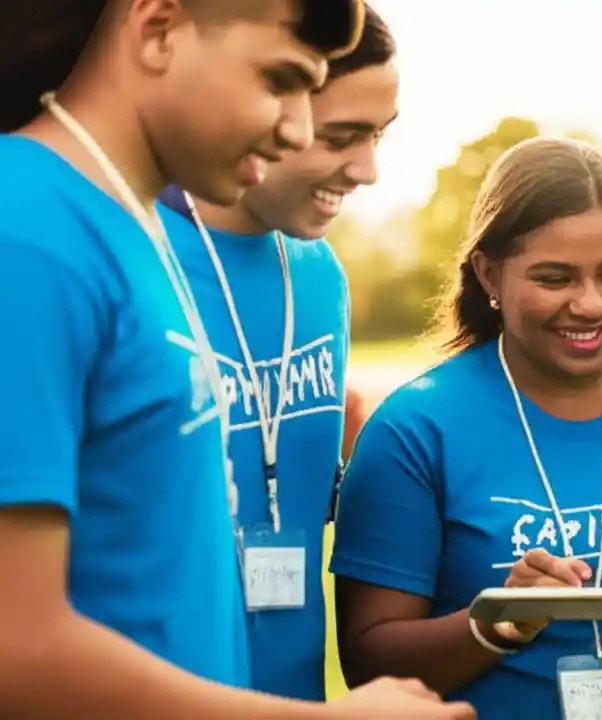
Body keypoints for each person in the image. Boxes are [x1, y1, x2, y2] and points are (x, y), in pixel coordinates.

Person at [0, 1, 470, 717]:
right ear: (158, 31)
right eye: (280, 80)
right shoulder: (27, 232)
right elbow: (15, 647)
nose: (298, 128)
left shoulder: (123, 225)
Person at [330, 136, 602, 719]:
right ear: (488, 274)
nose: (590, 304)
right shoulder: (414, 430)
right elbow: (368, 661)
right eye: (555, 278)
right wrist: (497, 622)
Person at [156, 3, 399, 702]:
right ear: (270, 109)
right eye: (341, 137)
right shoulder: (132, 253)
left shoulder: (321, 273)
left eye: (380, 135)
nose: (368, 169)